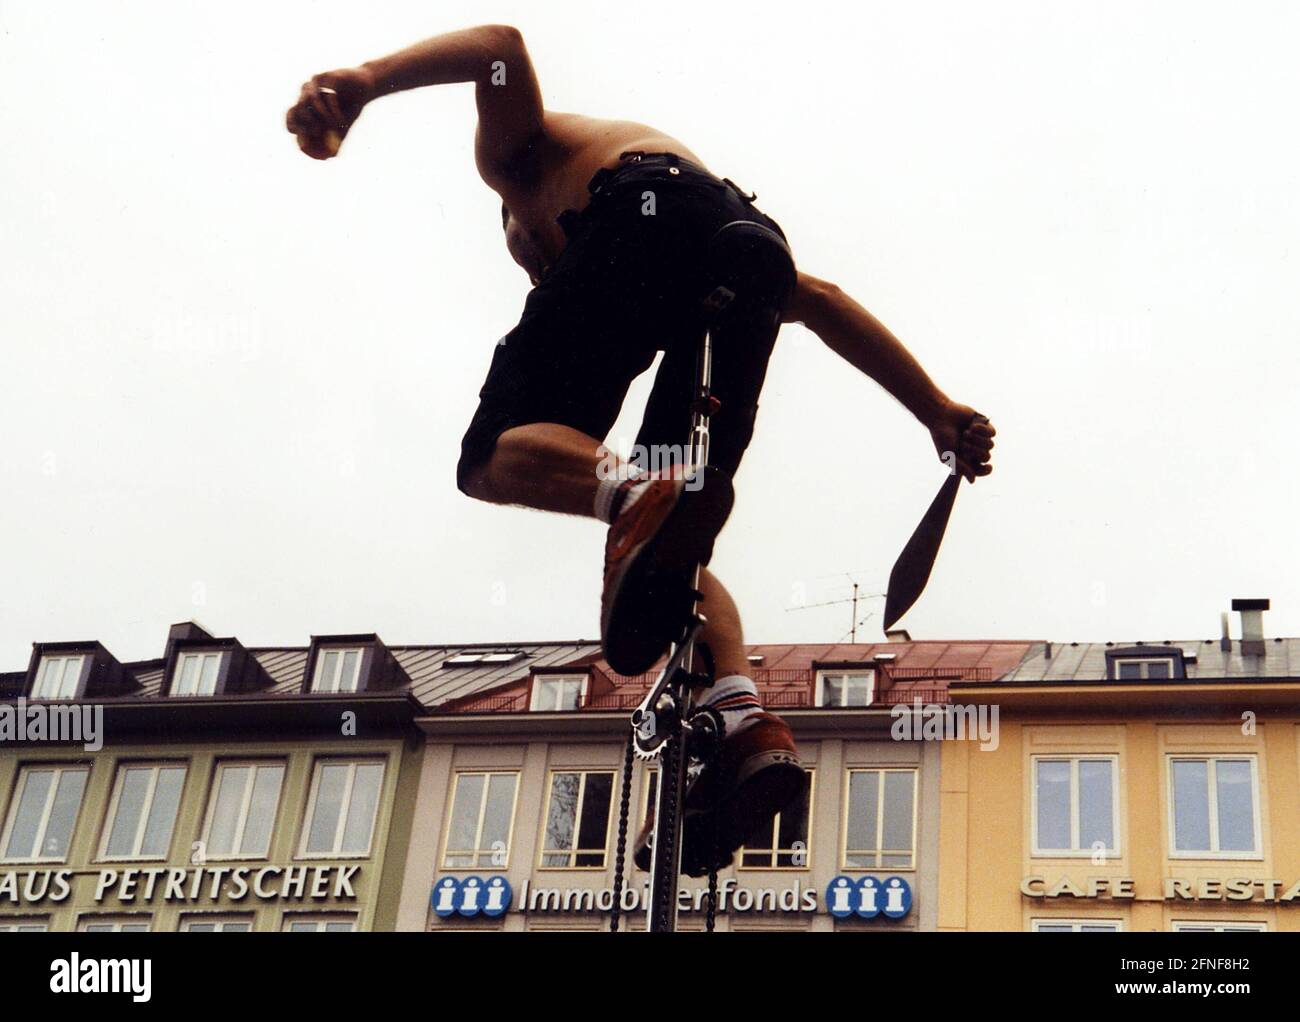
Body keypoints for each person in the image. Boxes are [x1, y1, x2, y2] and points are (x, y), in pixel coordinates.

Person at [286, 23, 996, 877]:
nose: (540, 278)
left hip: (636, 211)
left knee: (493, 455)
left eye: (536, 263)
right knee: (675, 534)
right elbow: (823, 298)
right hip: (745, 244)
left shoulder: (522, 167)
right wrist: (936, 410)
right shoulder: (665, 190)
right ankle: (741, 716)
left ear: (527, 229)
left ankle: (629, 498)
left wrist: (362, 80)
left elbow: (497, 46)